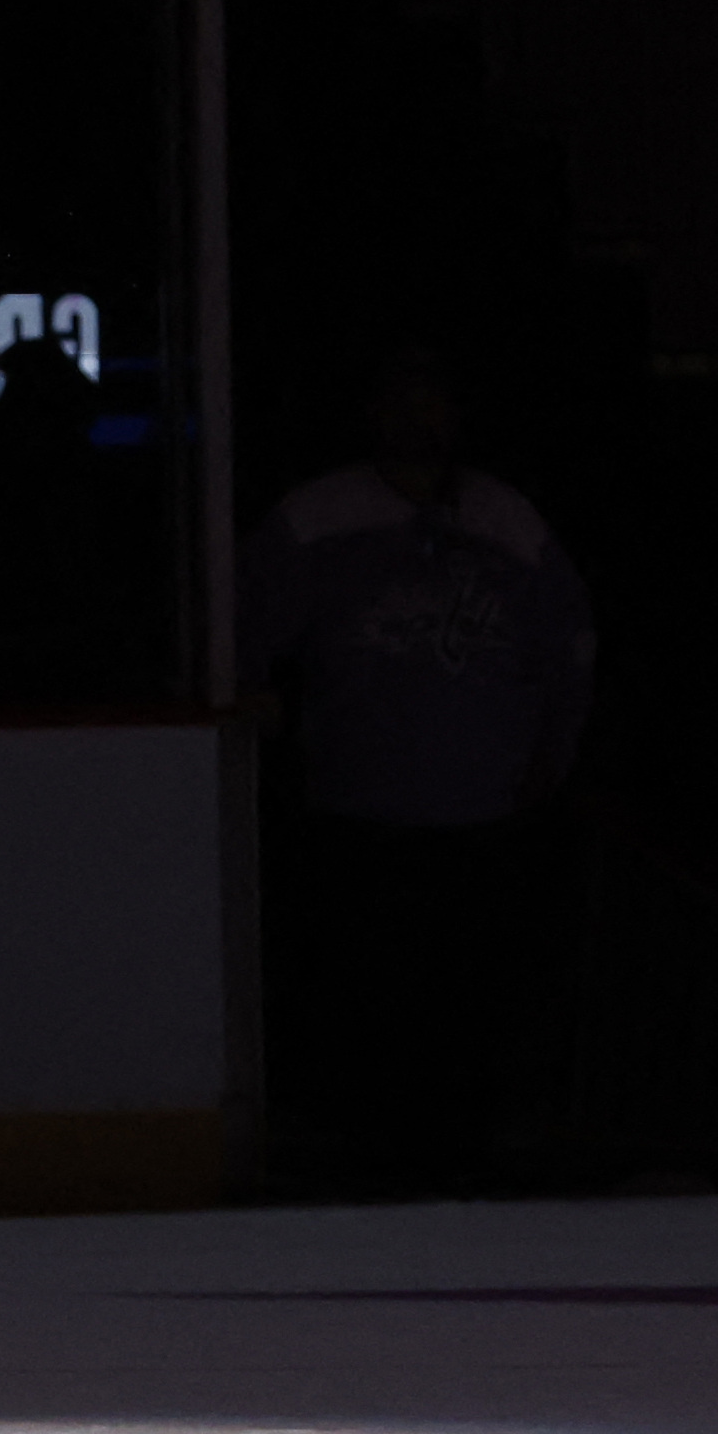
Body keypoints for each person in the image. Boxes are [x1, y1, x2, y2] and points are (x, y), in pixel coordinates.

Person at [240, 347, 595, 1186]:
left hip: (484, 812)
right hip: (364, 813)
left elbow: (570, 647)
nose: (418, 422)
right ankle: (380, 1150)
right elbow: (243, 634)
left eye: (432, 404)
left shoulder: (505, 521)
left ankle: (471, 1147)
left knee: (475, 996)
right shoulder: (317, 518)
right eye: (402, 404)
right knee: (378, 996)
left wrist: (555, 752)